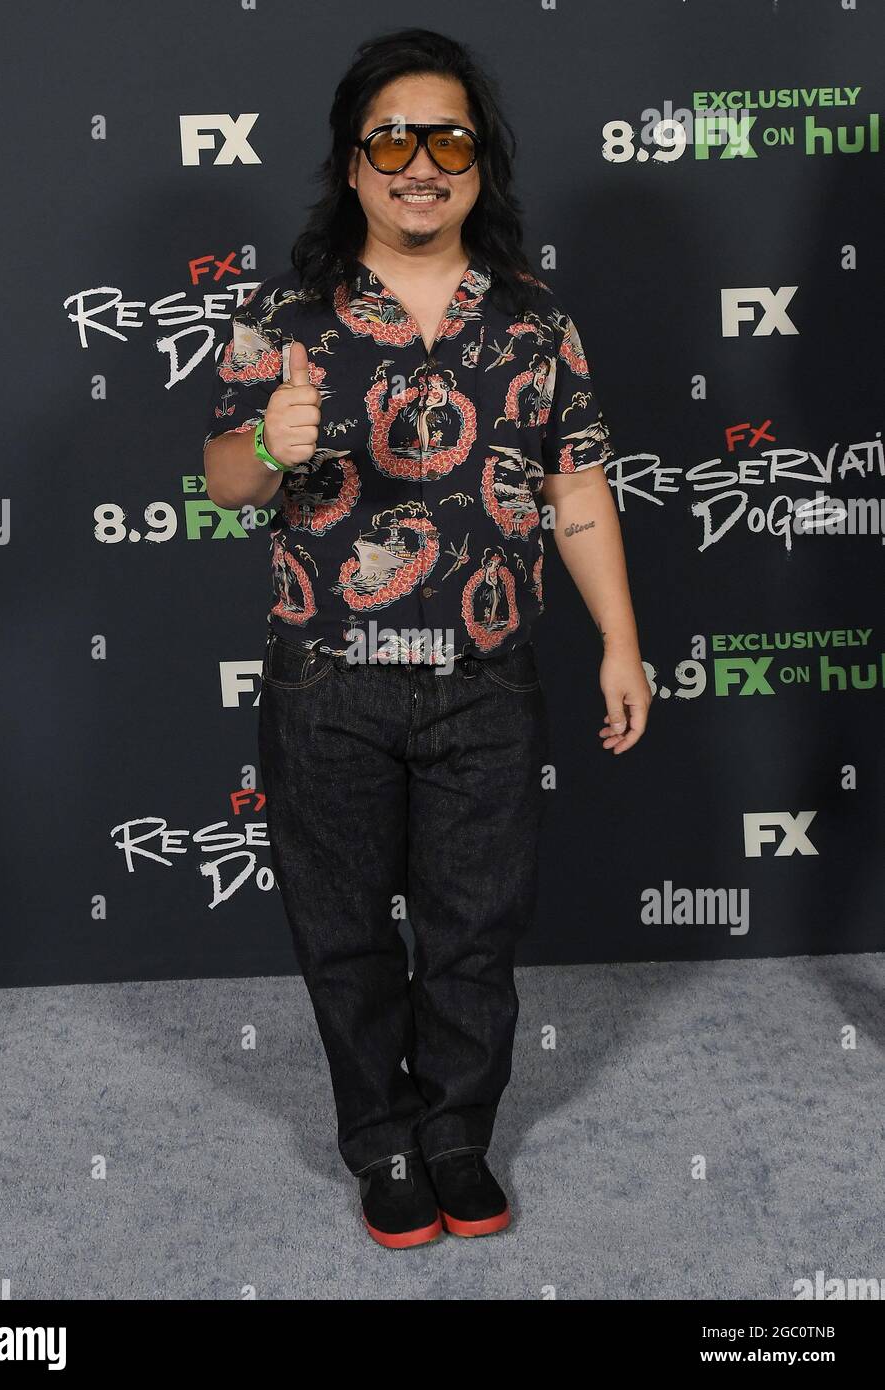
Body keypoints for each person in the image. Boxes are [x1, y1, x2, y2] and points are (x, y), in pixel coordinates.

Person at [203, 27, 651, 1249]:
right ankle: (381, 1141)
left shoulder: (535, 320)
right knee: (344, 937)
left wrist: (619, 641)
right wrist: (270, 443)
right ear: (351, 163)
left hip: (484, 682)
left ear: (480, 164)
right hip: (327, 682)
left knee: (473, 934)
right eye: (391, 140)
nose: (419, 165)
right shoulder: (284, 314)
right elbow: (227, 480)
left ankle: (455, 1134)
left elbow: (576, 487)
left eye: (447, 141)